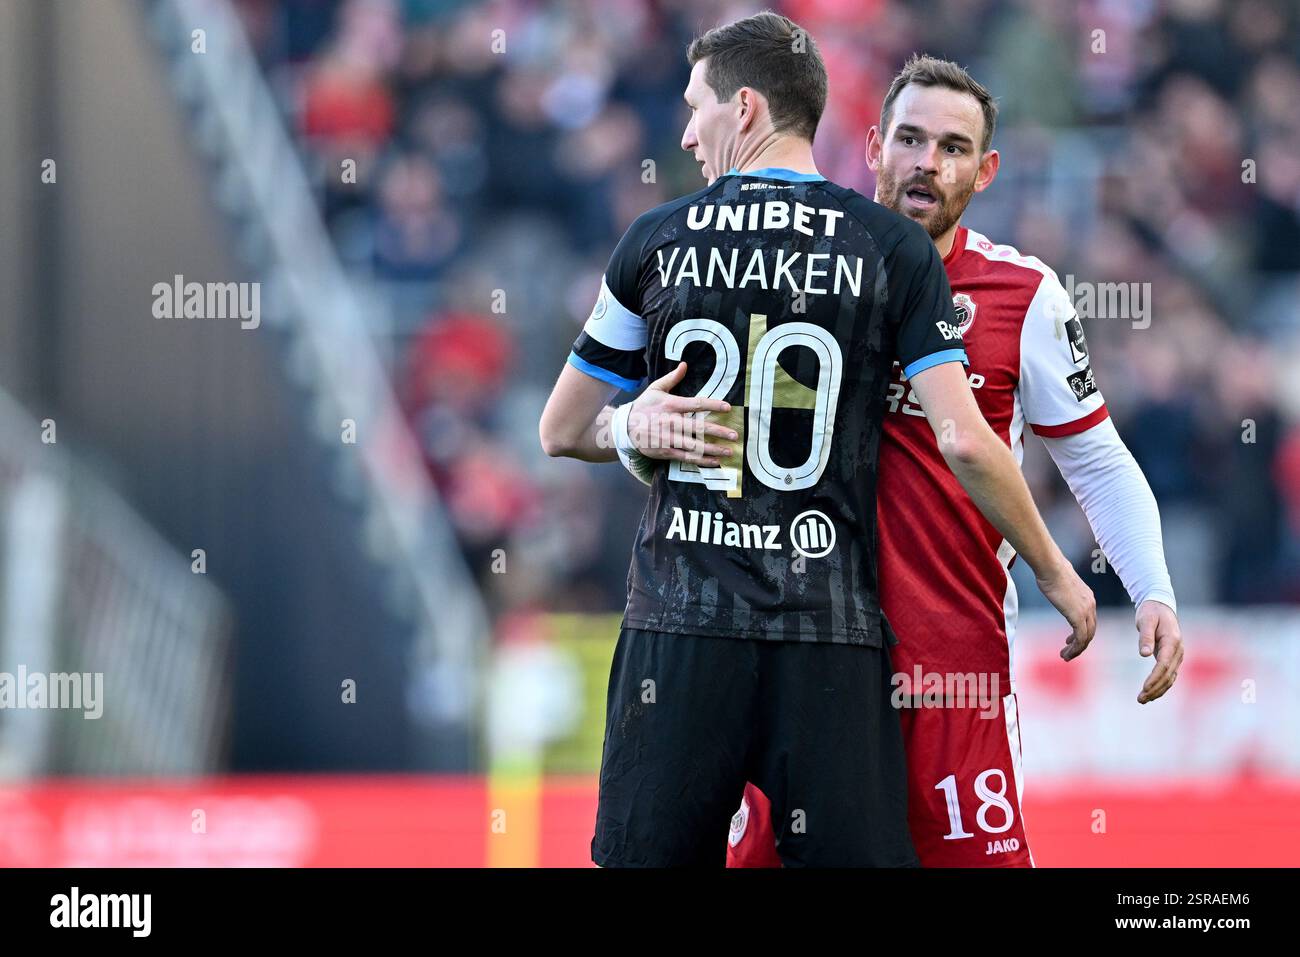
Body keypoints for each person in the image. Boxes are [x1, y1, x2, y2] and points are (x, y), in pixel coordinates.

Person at [539, 17, 1094, 867]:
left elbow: (560, 428)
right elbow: (966, 438)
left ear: (746, 107)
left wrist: (628, 426)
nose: (688, 131)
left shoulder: (655, 240)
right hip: (827, 633)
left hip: (684, 624)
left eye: (697, 108)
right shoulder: (891, 249)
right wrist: (1059, 571)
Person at [726, 55, 1183, 868]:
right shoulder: (797, 271)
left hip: (951, 665)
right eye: (908, 139)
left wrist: (1150, 586)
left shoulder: (1023, 294)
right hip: (801, 650)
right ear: (871, 146)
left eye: (951, 146)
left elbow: (1095, 460)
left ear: (986, 168)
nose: (925, 164)